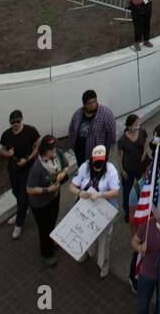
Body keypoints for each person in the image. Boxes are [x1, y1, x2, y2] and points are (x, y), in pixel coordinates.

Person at [70, 143, 121, 278]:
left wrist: (101, 195)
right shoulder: (84, 167)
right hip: (86, 208)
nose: (97, 166)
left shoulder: (111, 170)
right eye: (95, 162)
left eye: (101, 162)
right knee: (86, 232)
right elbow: (72, 186)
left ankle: (103, 264)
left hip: (105, 209)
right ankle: (86, 252)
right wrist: (80, 193)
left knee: (104, 239)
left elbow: (115, 191)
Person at [25, 134, 71, 266]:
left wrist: (62, 173)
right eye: (51, 149)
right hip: (40, 204)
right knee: (44, 228)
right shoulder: (37, 168)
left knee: (52, 221)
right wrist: (47, 190)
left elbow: (67, 164)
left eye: (54, 147)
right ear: (45, 151)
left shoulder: (58, 154)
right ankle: (46, 253)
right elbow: (29, 188)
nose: (55, 150)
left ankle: (51, 240)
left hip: (54, 197)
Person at [0, 109, 41, 240]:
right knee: (16, 192)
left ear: (22, 120)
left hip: (27, 169)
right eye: (13, 122)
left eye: (17, 121)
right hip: (13, 169)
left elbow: (38, 143)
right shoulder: (6, 134)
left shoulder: (30, 131)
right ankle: (23, 210)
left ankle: (19, 224)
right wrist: (7, 154)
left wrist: (28, 159)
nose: (15, 124)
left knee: (23, 196)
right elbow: (2, 150)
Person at [131, 200, 160, 314]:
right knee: (143, 304)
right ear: (157, 218)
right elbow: (134, 242)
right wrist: (140, 247)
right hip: (147, 274)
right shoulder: (146, 227)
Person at [68, 89, 116, 167]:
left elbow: (111, 135)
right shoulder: (78, 114)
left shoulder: (106, 113)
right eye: (89, 103)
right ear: (84, 104)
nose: (93, 105)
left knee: (97, 174)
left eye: (94, 101)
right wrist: (73, 145)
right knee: (83, 172)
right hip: (80, 152)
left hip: (97, 154)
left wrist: (106, 152)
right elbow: (71, 131)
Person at [116, 114, 148, 220]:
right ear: (129, 126)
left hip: (140, 166)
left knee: (143, 188)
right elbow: (118, 155)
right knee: (127, 192)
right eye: (135, 124)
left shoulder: (142, 132)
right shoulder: (122, 140)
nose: (138, 125)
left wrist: (145, 152)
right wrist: (122, 170)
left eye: (138, 123)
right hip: (128, 168)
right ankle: (127, 212)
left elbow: (146, 140)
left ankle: (143, 207)